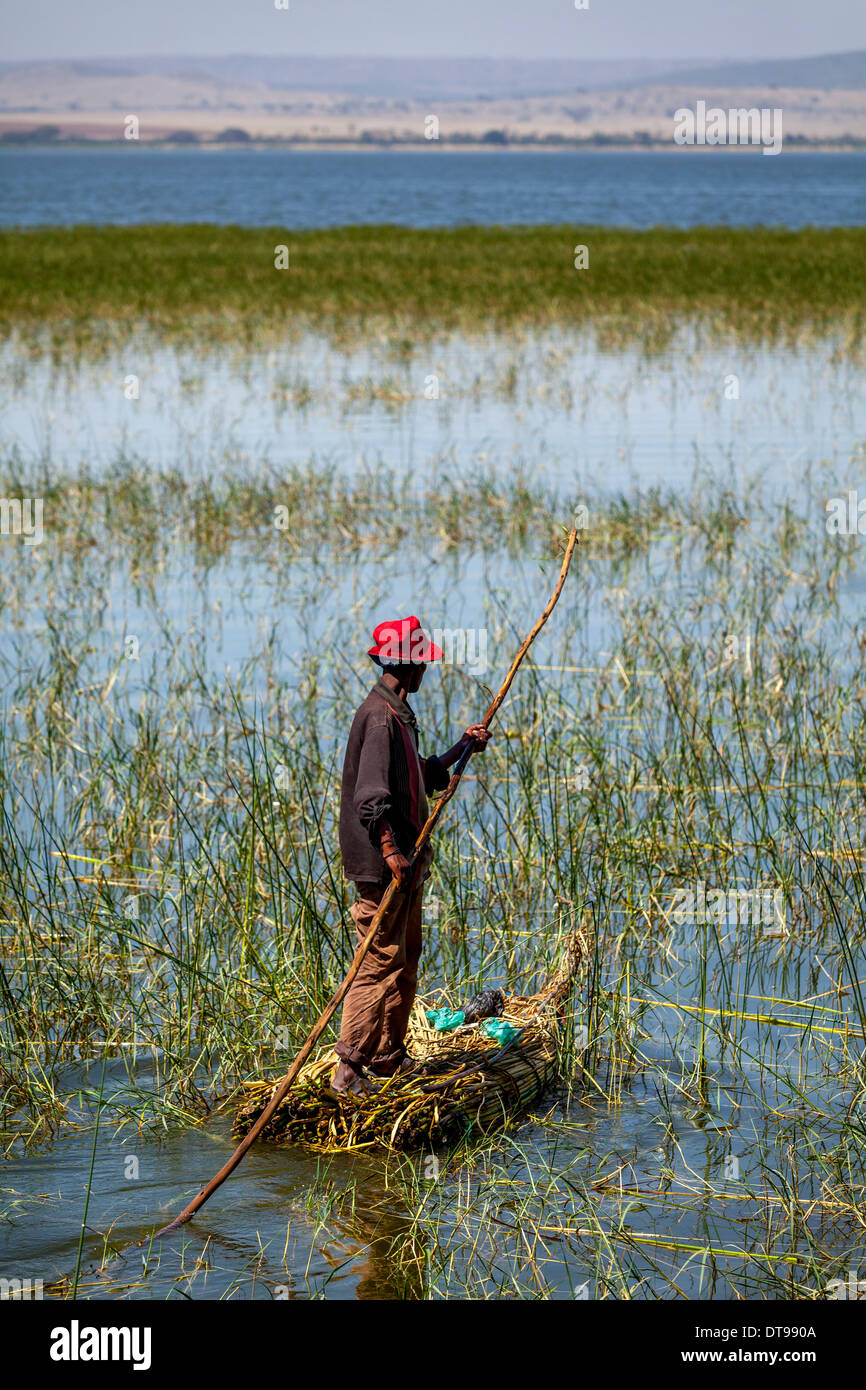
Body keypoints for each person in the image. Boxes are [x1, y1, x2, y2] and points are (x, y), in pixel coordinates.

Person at [331, 615, 490, 1097]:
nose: (426, 673)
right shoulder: (379, 718)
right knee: (377, 961)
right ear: (406, 665)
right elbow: (371, 796)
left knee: (405, 957)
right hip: (385, 867)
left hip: (406, 863)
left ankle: (387, 1055)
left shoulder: (398, 713)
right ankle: (349, 1068)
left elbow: (417, 776)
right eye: (422, 665)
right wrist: (390, 850)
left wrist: (462, 748)